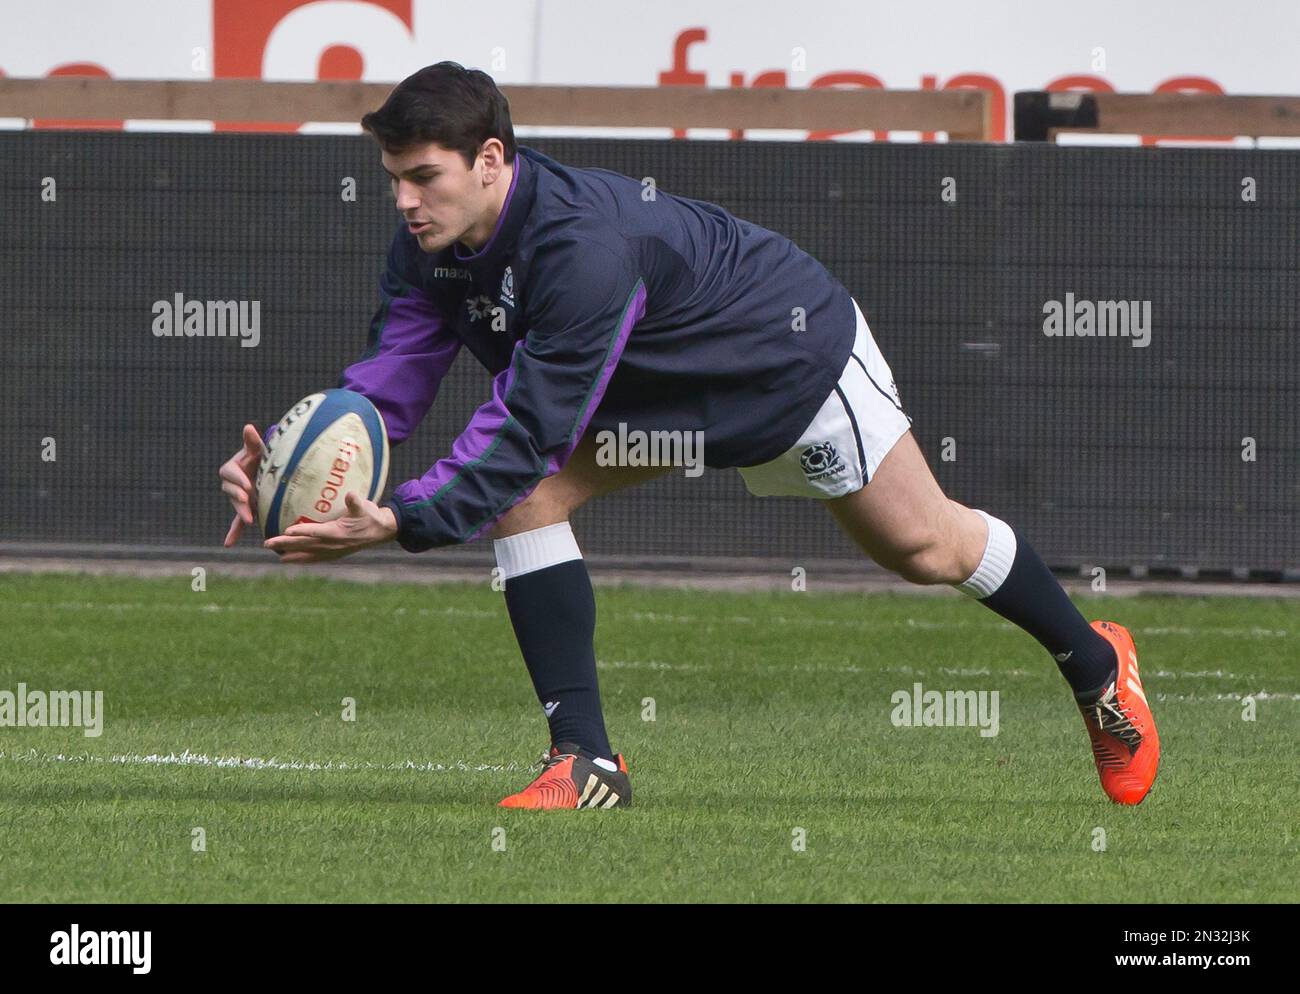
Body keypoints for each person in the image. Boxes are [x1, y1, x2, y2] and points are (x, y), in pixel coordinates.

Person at [218, 62, 1159, 810]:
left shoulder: (580, 250)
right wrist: (305, 467)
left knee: (925, 546)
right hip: (645, 391)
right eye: (394, 181)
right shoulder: (425, 248)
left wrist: (402, 521)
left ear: (493, 161)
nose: (407, 200)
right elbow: (390, 384)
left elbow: (530, 425)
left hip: (781, 362)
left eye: (424, 177)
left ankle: (1096, 663)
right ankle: (586, 762)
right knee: (525, 499)